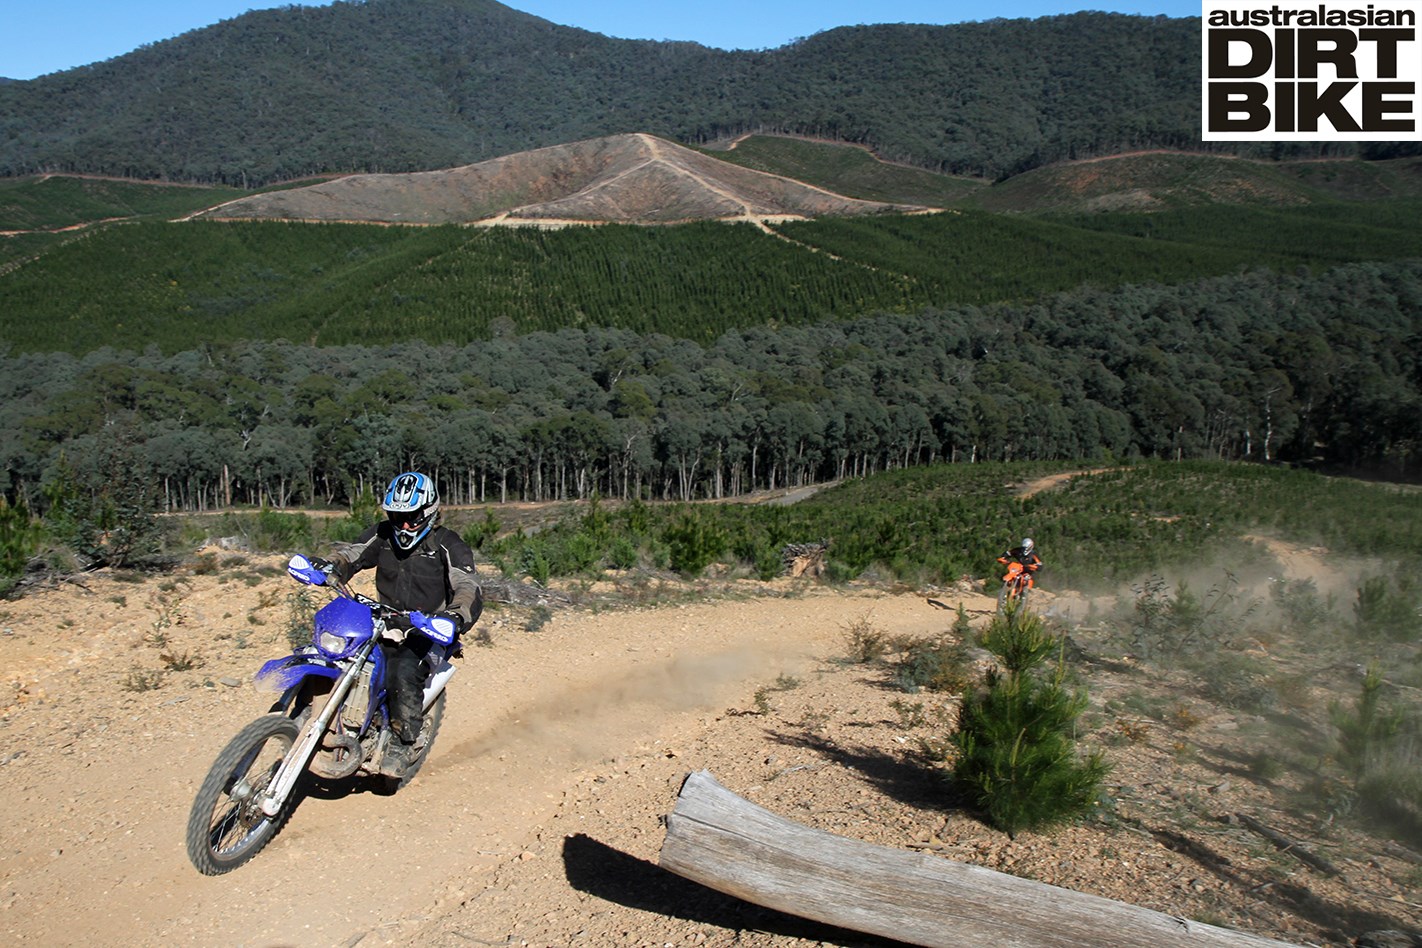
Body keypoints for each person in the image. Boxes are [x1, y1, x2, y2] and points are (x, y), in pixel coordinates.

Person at [316, 471, 483, 777]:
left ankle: (401, 741)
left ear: (430, 510)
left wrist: (454, 618)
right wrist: (330, 566)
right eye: (397, 516)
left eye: (412, 517)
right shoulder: (382, 534)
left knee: (403, 670)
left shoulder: (448, 544)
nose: (404, 525)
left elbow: (468, 586)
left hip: (429, 630)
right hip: (383, 620)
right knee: (338, 649)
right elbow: (351, 554)